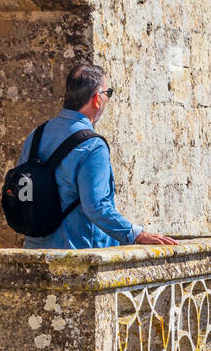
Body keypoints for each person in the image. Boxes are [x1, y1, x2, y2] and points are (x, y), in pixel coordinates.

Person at [17, 62, 177, 249]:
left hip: (35, 254)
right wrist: (136, 234)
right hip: (79, 256)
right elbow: (96, 206)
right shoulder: (92, 145)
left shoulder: (36, 135)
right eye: (107, 93)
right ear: (97, 99)